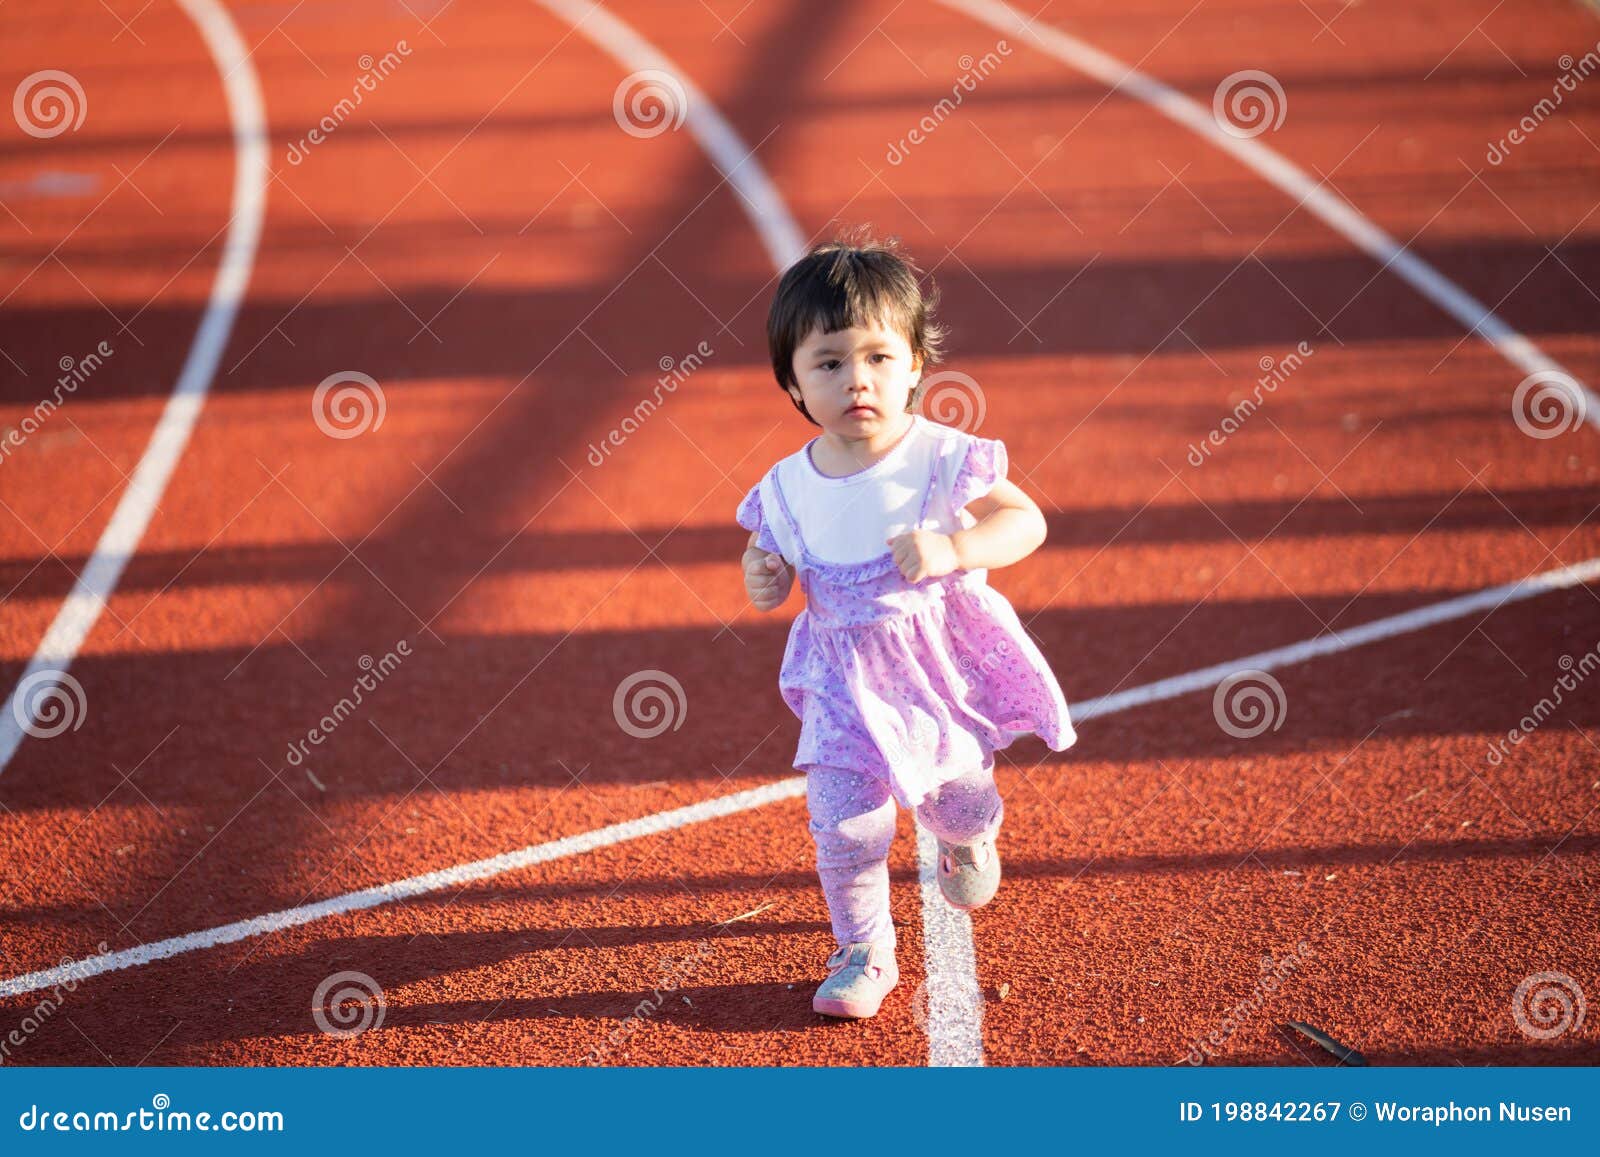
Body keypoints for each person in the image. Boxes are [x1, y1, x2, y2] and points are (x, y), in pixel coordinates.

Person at [736, 228, 1077, 1019]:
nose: (857, 379)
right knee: (846, 824)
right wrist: (764, 576)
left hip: (934, 670)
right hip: (841, 680)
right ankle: (863, 947)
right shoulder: (787, 485)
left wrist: (956, 545)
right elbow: (769, 567)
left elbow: (1025, 522)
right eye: (829, 362)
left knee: (955, 796)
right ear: (792, 382)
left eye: (879, 357)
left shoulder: (941, 456)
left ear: (917, 364)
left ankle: (970, 829)